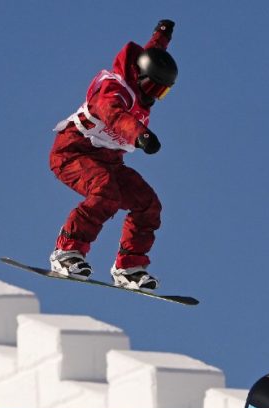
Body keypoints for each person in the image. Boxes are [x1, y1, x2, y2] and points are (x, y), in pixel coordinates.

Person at [48, 19, 178, 291]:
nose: (154, 97)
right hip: (73, 152)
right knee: (105, 191)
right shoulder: (114, 88)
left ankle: (129, 267)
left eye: (162, 92)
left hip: (109, 161)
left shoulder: (141, 80)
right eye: (154, 88)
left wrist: (161, 35)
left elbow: (150, 54)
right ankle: (66, 252)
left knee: (147, 203)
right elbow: (113, 115)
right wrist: (139, 134)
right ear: (140, 76)